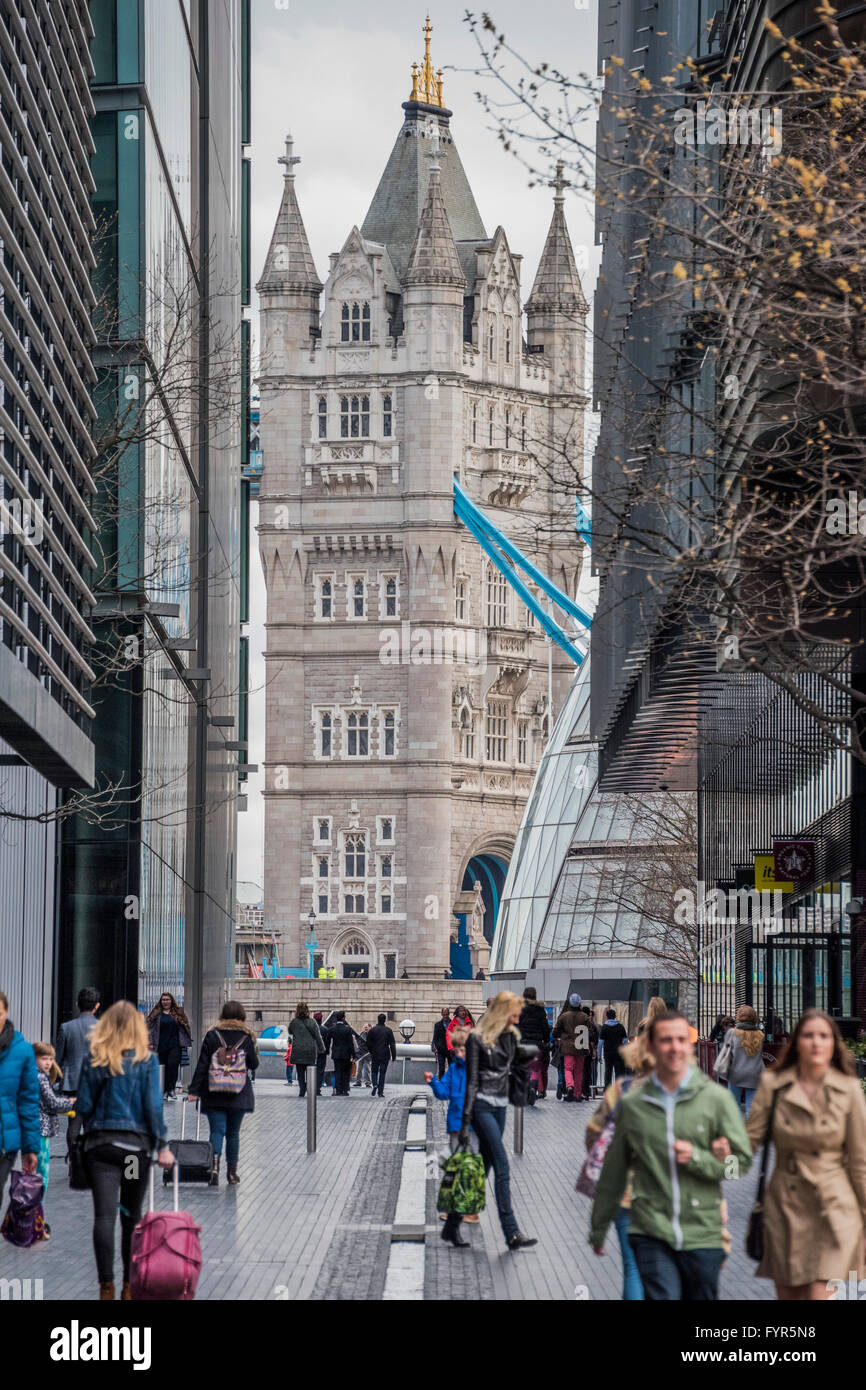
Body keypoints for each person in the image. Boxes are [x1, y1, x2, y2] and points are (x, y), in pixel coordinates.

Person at [590, 1010, 751, 1301]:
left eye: (681, 1039)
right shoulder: (632, 1102)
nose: (674, 1047)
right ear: (651, 1047)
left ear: (689, 1046)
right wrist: (598, 1228)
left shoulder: (715, 1100)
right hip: (649, 1224)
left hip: (702, 1230)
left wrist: (705, 1159)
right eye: (666, 1040)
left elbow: (737, 1167)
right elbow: (613, 1170)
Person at [743, 1008, 866, 1301]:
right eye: (808, 1035)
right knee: (789, 1294)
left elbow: (860, 1161)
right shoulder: (774, 1086)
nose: (815, 1042)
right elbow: (748, 1141)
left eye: (823, 1036)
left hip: (834, 1208)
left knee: (817, 1293)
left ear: (832, 1044)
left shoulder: (848, 1090)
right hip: (785, 1205)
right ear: (797, 1042)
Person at [77, 1001, 173, 1300]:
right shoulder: (146, 1061)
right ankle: (129, 1287)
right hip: (132, 1152)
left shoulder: (94, 1059)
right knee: (129, 1215)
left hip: (102, 1149)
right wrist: (162, 1146)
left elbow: (83, 1107)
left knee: (104, 1217)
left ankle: (106, 1286)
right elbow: (153, 1108)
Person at [459, 991, 538, 1251]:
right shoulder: (476, 1039)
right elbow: (471, 1082)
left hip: (501, 1105)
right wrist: (465, 1120)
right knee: (502, 1165)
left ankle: (456, 1216)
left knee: (486, 1165)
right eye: (513, 1015)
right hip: (482, 1105)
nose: (516, 1020)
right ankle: (511, 1232)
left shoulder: (510, 1038)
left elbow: (516, 1066)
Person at [584, 1031, 655, 1300]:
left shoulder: (621, 1090)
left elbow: (593, 1136)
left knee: (633, 1267)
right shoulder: (686, 1093)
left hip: (627, 1194)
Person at [188, 1000, 259, 1185]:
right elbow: (253, 1064)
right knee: (233, 1134)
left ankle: (214, 1168)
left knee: (216, 1131)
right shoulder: (246, 1036)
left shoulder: (212, 1035)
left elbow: (203, 1065)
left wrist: (194, 1090)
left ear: (223, 1014)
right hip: (239, 1093)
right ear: (241, 1015)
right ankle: (232, 1173)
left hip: (214, 1092)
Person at [426, 1028, 476, 1244]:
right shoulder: (455, 1069)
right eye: (456, 1049)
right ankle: (456, 1209)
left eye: (462, 1049)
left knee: (468, 1166)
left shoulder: (477, 1069)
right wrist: (432, 1082)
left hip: (473, 1124)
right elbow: (443, 1093)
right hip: (457, 1124)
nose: (458, 1053)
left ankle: (466, 1210)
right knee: (460, 1166)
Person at [0, 991, 39, 1210]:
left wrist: (30, 1148)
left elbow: (28, 1101)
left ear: (7, 1012)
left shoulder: (22, 1051)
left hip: (5, 1141)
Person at [34, 1042, 73, 1236]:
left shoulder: (32, 1075)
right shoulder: (40, 1078)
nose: (48, 1062)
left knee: (34, 1176)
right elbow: (52, 1102)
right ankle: (36, 1222)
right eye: (44, 1058)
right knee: (42, 1177)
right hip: (41, 1131)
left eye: (50, 1058)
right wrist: (70, 1102)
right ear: (35, 1058)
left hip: (32, 1130)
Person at [55, 986, 100, 1153]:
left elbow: (57, 1060)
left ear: (77, 1004)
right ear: (97, 1006)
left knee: (74, 1125)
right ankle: (89, 1163)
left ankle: (73, 1161)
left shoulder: (66, 1028)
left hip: (72, 1084)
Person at [146, 992, 192, 1100]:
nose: (165, 1002)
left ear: (171, 1001)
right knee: (162, 1067)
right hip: (160, 1045)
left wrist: (186, 1040)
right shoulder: (156, 1014)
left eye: (167, 999)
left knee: (173, 1066)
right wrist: (150, 1042)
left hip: (175, 1045)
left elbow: (185, 1026)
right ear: (161, 1001)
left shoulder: (178, 1013)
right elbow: (150, 1029)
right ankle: (164, 1090)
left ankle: (171, 1089)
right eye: (163, 1000)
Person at [722, 1005, 765, 1115]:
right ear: (754, 1017)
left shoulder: (732, 1033)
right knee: (751, 1107)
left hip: (736, 1072)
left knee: (733, 1106)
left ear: (739, 1017)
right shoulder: (760, 1035)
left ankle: (735, 1130)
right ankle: (751, 1130)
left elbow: (727, 1053)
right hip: (755, 1073)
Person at [553, 993, 591, 1102]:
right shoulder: (585, 1017)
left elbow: (555, 1032)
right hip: (581, 1046)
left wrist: (560, 1037)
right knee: (579, 1071)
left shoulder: (564, 1016)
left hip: (567, 1047)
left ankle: (569, 1086)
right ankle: (578, 1094)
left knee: (568, 1068)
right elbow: (590, 1031)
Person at [518, 987, 551, 1101]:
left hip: (522, 1043)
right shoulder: (540, 1010)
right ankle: (533, 1087)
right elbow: (545, 1028)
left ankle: (526, 1090)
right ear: (535, 995)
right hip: (536, 1043)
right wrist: (546, 1040)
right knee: (535, 1069)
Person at [288, 1002, 325, 1097]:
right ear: (307, 1011)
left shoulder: (294, 1022)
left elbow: (290, 1031)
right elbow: (318, 1037)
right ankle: (310, 1089)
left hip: (298, 1051)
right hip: (310, 1050)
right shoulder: (312, 1022)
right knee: (310, 1072)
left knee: (300, 1073)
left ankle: (302, 1089)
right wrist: (322, 1048)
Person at [365, 1014, 397, 1097]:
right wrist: (394, 1056)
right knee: (382, 1073)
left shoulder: (372, 1030)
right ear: (385, 1020)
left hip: (375, 1054)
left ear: (377, 1019)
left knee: (374, 1071)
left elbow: (368, 1043)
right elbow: (392, 1044)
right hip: (385, 1054)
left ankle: (375, 1084)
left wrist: (371, 1051)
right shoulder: (388, 1030)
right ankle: (380, 1091)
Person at [328, 1011, 358, 1096]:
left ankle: (338, 1090)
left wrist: (326, 1050)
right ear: (343, 1018)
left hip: (336, 1053)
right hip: (346, 1054)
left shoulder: (332, 1029)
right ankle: (345, 1090)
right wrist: (353, 1054)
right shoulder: (347, 1029)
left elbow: (327, 1040)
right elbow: (350, 1043)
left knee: (337, 1071)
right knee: (345, 1072)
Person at [600, 1008, 628, 1089]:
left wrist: (599, 1055)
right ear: (615, 1016)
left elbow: (600, 1043)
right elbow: (625, 1041)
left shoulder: (604, 1027)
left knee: (608, 1072)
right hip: (619, 1053)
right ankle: (618, 1090)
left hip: (608, 1054)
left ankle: (607, 1091)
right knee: (618, 1072)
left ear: (607, 1017)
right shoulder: (620, 1027)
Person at [432, 1008, 451, 1078]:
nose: (445, 1016)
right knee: (441, 1068)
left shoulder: (453, 1024)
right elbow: (435, 1037)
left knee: (451, 1068)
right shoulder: (437, 1025)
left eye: (446, 1014)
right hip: (441, 1049)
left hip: (450, 1049)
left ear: (449, 1014)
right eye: (444, 1014)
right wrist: (435, 1047)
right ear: (442, 1014)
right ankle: (441, 1082)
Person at [314, 1012, 329, 1095]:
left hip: (312, 1053)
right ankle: (317, 1089)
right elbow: (327, 1043)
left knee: (311, 1069)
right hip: (322, 1053)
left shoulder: (310, 1029)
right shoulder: (325, 1030)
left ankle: (311, 1087)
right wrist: (326, 1052)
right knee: (320, 1071)